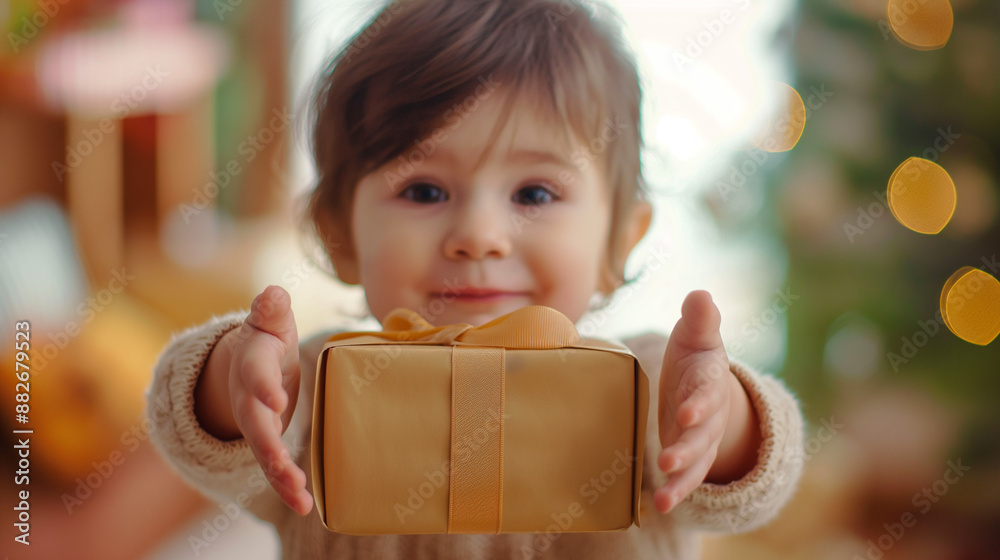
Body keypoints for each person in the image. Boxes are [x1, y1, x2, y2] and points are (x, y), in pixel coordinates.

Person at [146, 0, 805, 557]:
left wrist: (723, 421)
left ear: (617, 241)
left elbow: (754, 485)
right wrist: (235, 374)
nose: (479, 236)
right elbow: (195, 435)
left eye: (536, 194)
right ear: (339, 235)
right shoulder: (320, 385)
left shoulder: (644, 384)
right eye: (426, 190)